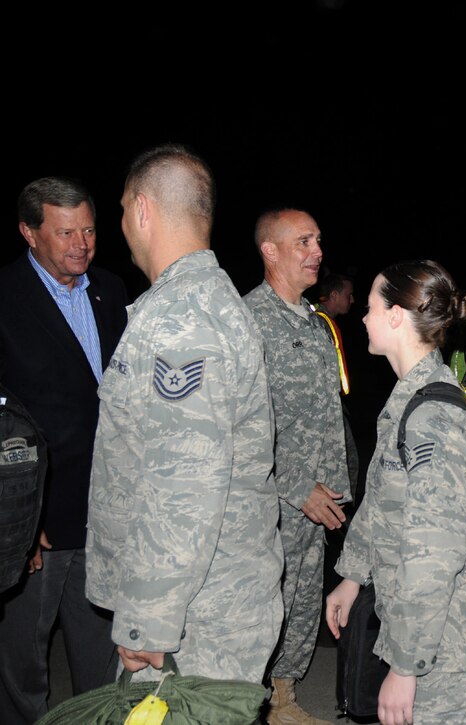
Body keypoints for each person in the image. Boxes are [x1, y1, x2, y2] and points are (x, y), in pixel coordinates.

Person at [84, 143, 284, 684]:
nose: (120, 224)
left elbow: (183, 483)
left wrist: (148, 620)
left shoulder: (182, 319)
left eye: (122, 209)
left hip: (198, 618)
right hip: (209, 600)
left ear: (143, 210)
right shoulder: (203, 301)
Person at [325, 260, 466, 725]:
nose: (362, 317)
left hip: (448, 645)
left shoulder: (433, 418)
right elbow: (382, 504)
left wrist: (406, 665)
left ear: (397, 316)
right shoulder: (409, 400)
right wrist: (352, 577)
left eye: (370, 307)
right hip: (423, 631)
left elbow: (433, 553)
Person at [0, 177, 127, 724]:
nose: (82, 243)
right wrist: (17, 521)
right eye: (66, 231)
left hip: (105, 513)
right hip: (37, 522)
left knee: (98, 658)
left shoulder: (112, 289)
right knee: (23, 666)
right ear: (29, 232)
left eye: (90, 229)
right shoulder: (5, 298)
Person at [245, 208, 351, 725]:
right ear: (271, 250)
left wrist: (336, 485)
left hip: (317, 497)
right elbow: (241, 423)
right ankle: (245, 700)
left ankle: (282, 698)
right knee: (264, 602)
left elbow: (328, 413)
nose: (317, 251)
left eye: (318, 239)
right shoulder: (248, 321)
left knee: (303, 597)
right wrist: (294, 484)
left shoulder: (314, 321)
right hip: (271, 499)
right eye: (303, 241)